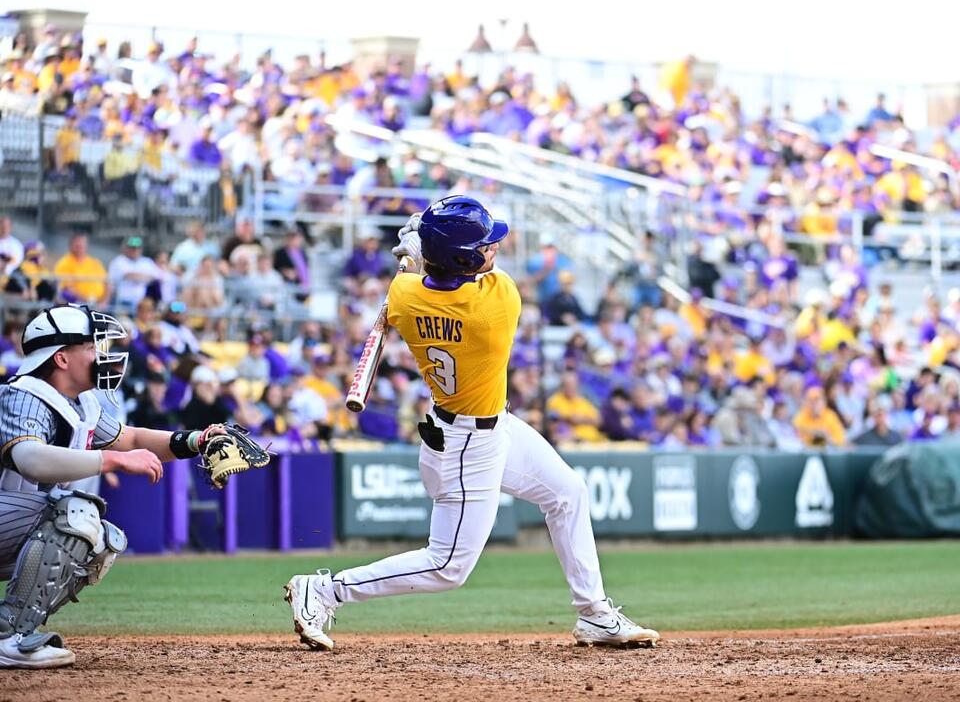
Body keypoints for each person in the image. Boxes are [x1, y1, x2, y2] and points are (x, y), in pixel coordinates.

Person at [284, 195, 658, 650]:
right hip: (466, 444)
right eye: (484, 245)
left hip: (485, 425)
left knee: (567, 493)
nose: (494, 247)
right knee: (447, 566)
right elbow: (442, 273)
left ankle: (595, 613)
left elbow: (414, 281)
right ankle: (325, 589)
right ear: (461, 259)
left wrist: (416, 254)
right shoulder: (494, 307)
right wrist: (420, 247)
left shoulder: (403, 297)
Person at [0, 305, 228, 668]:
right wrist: (112, 461)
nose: (100, 354)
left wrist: (195, 441)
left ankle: (17, 628)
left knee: (102, 539)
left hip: (10, 519)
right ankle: (7, 635)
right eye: (91, 346)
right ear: (61, 358)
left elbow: (129, 437)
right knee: (76, 515)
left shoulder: (81, 402)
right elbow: (29, 458)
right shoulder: (24, 394)